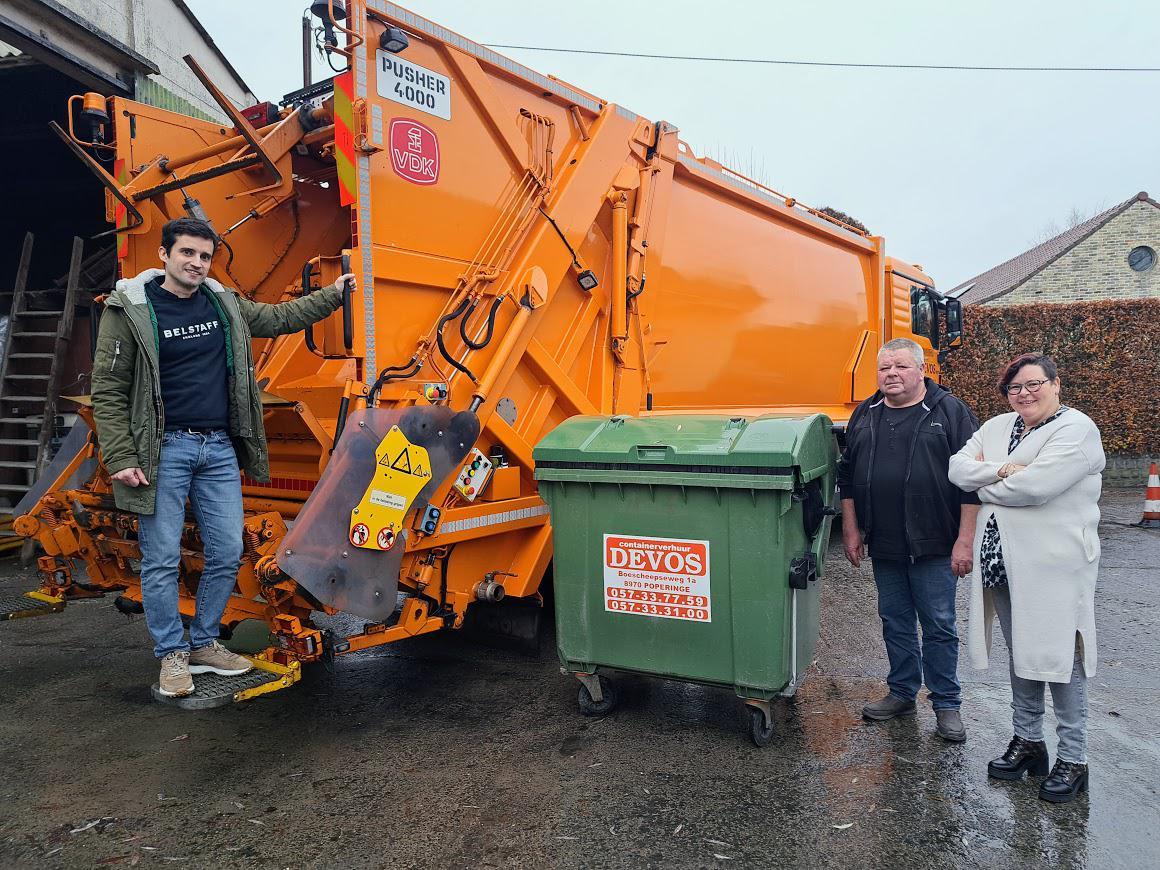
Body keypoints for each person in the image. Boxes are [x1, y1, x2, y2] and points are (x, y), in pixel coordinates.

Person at [91, 217, 352, 698]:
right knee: (162, 558)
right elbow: (107, 390)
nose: (196, 263)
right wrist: (121, 454)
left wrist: (335, 293)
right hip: (162, 449)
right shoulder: (129, 310)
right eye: (187, 253)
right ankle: (172, 655)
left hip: (216, 449)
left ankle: (205, 641)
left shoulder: (224, 304)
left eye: (205, 256)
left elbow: (280, 319)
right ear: (165, 255)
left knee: (228, 550)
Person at [949, 353, 1103, 803]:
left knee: (1060, 660)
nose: (1024, 394)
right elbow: (957, 468)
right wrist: (1000, 470)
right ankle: (1029, 742)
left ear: (1056, 384)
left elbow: (1036, 488)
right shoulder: (997, 427)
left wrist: (987, 482)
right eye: (1015, 388)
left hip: (1054, 568)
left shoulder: (1076, 430)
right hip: (1003, 565)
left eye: (1033, 384)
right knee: (1024, 657)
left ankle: (1074, 759)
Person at [837, 338, 980, 742]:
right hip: (885, 542)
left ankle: (947, 704)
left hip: (935, 541)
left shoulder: (950, 412)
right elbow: (846, 476)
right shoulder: (866, 413)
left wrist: (964, 541)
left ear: (921, 371)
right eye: (884, 368)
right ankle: (901, 692)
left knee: (938, 623)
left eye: (900, 366)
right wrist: (851, 529)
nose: (892, 374)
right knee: (895, 621)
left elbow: (972, 485)